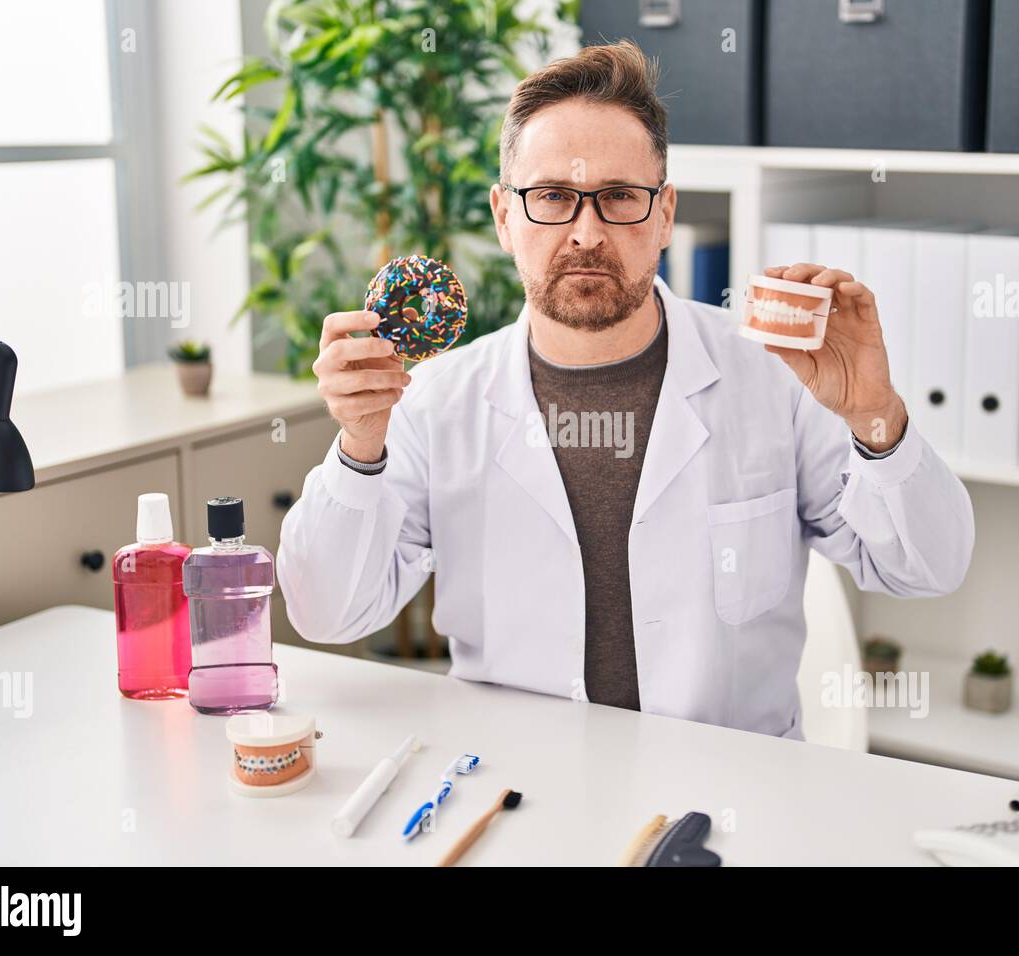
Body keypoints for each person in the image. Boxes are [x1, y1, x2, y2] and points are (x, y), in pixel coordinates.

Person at [276, 40, 974, 739]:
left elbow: (925, 569)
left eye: (619, 197)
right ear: (502, 216)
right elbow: (329, 612)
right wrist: (360, 446)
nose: (587, 233)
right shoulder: (437, 402)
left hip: (733, 790)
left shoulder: (776, 378)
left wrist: (875, 416)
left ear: (665, 214)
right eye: (551, 196)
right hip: (518, 785)